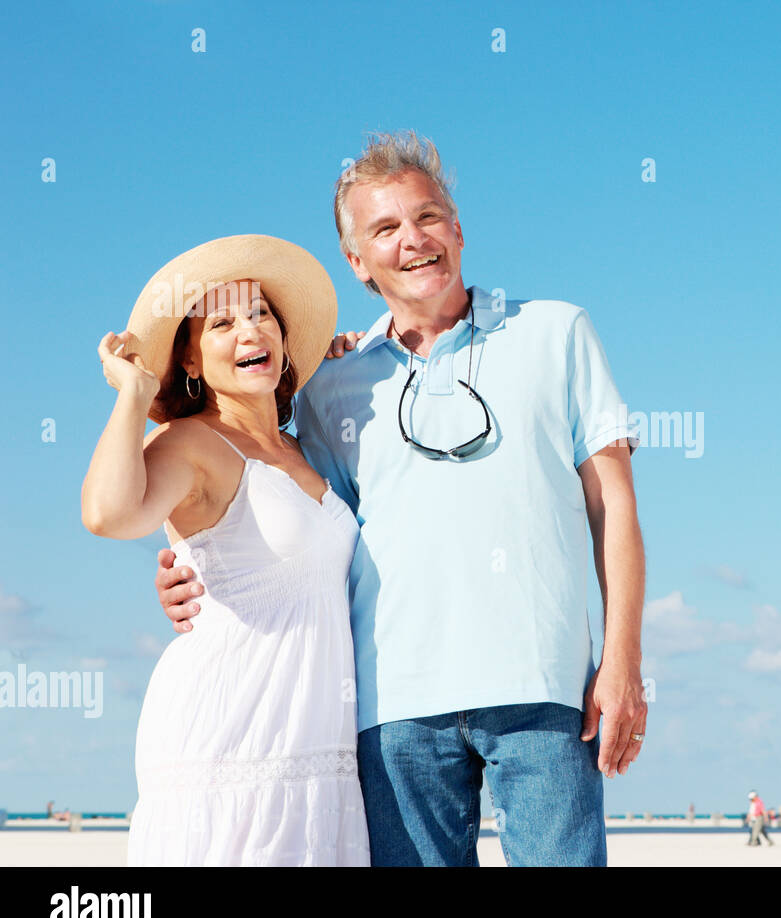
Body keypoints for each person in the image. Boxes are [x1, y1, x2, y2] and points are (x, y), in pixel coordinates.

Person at [154, 131, 646, 867]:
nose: (414, 240)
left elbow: (614, 509)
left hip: (543, 686)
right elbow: (278, 505)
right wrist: (187, 562)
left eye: (429, 216)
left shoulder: (556, 331)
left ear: (458, 227)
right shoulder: (332, 383)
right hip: (391, 706)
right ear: (357, 262)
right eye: (385, 229)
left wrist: (622, 661)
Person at [84, 235, 369, 865]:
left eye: (262, 314)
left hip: (319, 749)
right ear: (189, 359)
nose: (251, 331)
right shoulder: (189, 443)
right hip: (229, 738)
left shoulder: (308, 449)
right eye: (222, 322)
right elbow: (108, 514)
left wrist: (349, 365)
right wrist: (133, 395)